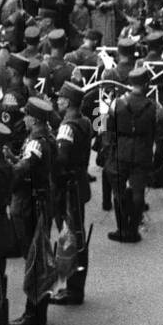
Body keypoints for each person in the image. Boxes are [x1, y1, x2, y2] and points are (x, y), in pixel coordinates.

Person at [105, 66, 163, 243]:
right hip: (142, 152)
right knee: (138, 191)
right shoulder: (154, 106)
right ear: (147, 84)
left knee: (118, 191)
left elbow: (108, 128)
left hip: (121, 151)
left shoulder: (116, 103)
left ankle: (121, 229)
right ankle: (133, 231)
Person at [9, 99, 57, 325]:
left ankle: (35, 313)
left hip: (32, 204)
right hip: (39, 200)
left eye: (27, 116)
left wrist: (10, 169)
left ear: (35, 118)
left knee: (35, 258)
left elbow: (24, 169)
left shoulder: (37, 142)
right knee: (36, 256)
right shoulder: (44, 136)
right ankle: (36, 310)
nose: (24, 119)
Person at [51, 82, 93, 305]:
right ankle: (76, 287)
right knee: (77, 235)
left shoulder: (67, 126)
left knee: (71, 237)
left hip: (68, 187)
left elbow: (61, 159)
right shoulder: (84, 121)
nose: (57, 101)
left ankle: (74, 289)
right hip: (80, 182)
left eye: (60, 98)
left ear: (68, 102)